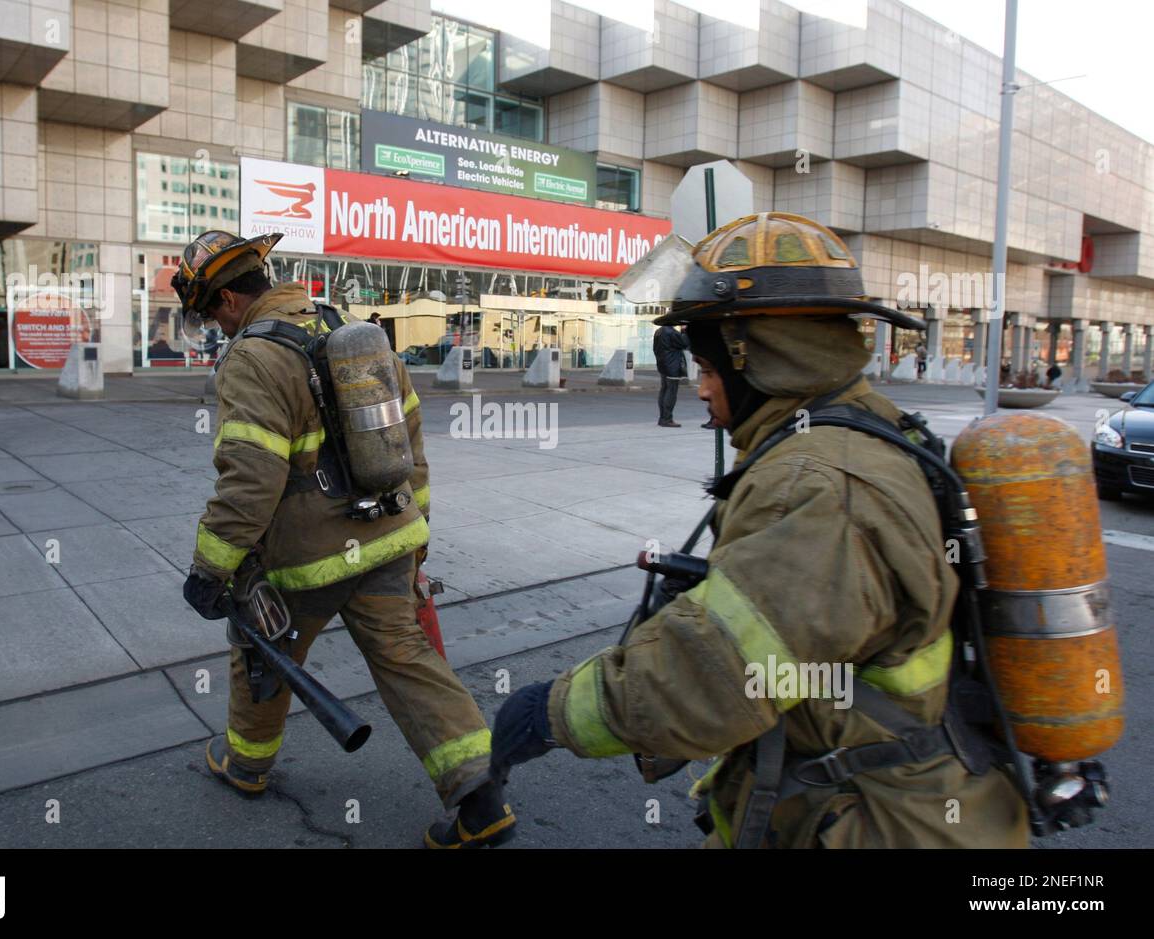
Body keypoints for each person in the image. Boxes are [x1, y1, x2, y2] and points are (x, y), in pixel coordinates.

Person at [489, 213, 1029, 848]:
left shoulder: (820, 484)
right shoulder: (860, 429)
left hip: (875, 823)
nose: (700, 391)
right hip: (851, 793)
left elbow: (714, 677)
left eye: (710, 368)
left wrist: (552, 713)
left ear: (755, 357)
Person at [172, 231, 514, 849]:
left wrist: (210, 568)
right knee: (407, 658)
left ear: (225, 299)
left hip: (308, 560)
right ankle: (481, 800)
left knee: (259, 648)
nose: (213, 326)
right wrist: (420, 537)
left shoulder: (253, 357)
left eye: (208, 313)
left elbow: (250, 477)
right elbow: (411, 439)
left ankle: (247, 765)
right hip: (389, 534)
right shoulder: (349, 330)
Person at [653, 321, 689, 426]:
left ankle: (662, 417)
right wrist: (684, 330)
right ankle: (667, 419)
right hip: (672, 365)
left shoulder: (658, 332)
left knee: (664, 390)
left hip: (663, 364)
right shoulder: (672, 332)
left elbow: (655, 349)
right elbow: (685, 343)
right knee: (671, 392)